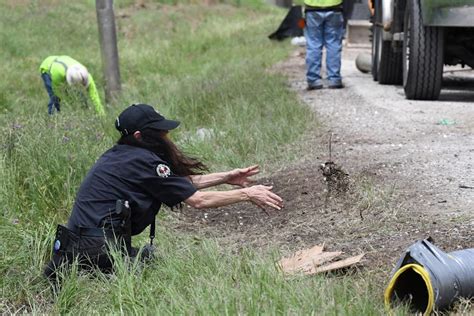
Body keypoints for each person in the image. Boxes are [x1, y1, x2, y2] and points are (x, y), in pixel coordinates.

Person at [44, 103, 283, 280]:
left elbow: (175, 183)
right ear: (139, 136)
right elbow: (197, 201)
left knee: (148, 262)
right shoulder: (143, 161)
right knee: (156, 271)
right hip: (98, 250)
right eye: (159, 131)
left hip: (75, 247)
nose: (165, 136)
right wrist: (248, 194)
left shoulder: (119, 156)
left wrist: (226, 177)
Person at [39, 55, 105, 115]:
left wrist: (101, 114)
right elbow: (58, 91)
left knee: (80, 95)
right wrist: (72, 104)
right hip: (48, 68)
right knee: (55, 98)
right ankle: (52, 117)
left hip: (64, 62)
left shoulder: (86, 76)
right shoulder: (57, 74)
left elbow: (94, 96)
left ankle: (85, 113)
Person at [304, 0, 344, 90]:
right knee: (333, 43)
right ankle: (334, 79)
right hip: (334, 6)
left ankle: (313, 80)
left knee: (313, 44)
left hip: (312, 7)